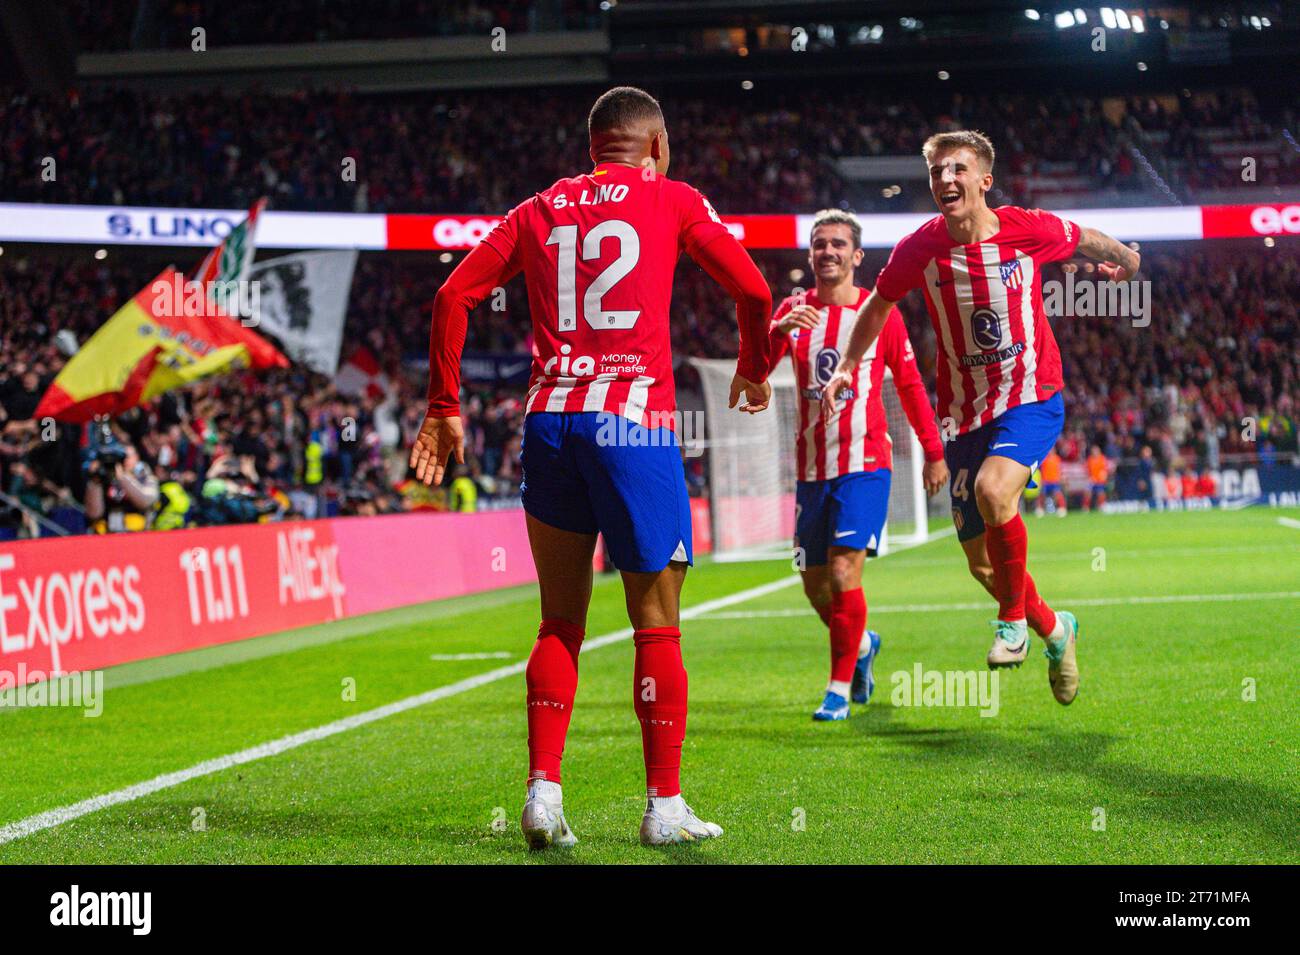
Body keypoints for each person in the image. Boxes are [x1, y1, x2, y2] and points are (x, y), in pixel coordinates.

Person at [410, 87, 773, 848]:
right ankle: (663, 805)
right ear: (658, 146)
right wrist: (753, 365)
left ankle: (543, 795)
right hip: (635, 425)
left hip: (549, 423)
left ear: (593, 147)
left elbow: (452, 293)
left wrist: (445, 405)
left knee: (559, 621)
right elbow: (754, 287)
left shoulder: (538, 207)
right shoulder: (671, 197)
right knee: (656, 620)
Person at [823, 129, 1141, 706]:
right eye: (938, 171)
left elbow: (1089, 239)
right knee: (983, 567)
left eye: (958, 169)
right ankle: (1057, 629)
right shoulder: (920, 246)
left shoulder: (1028, 229)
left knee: (998, 494)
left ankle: (1012, 624)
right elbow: (877, 304)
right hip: (965, 415)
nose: (946, 179)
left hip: (1030, 397)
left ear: (984, 180)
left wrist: (1129, 259)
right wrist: (847, 364)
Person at [768, 210, 946, 721]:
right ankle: (863, 645)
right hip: (810, 470)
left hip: (865, 463)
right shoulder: (794, 311)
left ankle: (838, 690)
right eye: (820, 244)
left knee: (845, 573)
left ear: (857, 255)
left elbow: (910, 386)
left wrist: (933, 451)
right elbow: (755, 370)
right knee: (813, 583)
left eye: (838, 244)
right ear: (810, 254)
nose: (828, 252)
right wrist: (774, 331)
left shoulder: (878, 313)